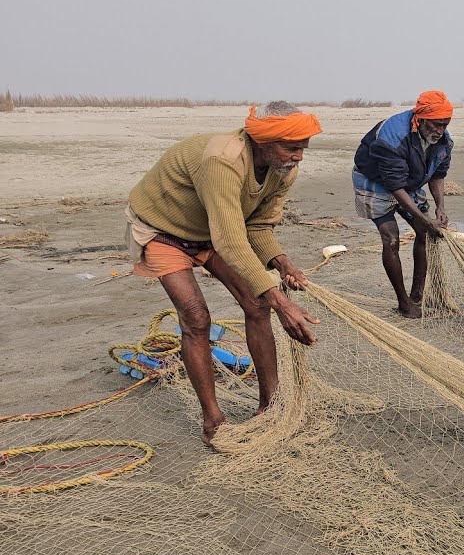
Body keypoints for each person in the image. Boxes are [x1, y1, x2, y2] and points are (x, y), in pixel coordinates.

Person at [125, 102, 323, 444]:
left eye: (303, 148)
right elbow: (230, 240)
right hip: (161, 232)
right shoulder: (223, 159)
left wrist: (283, 264)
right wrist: (282, 303)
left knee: (257, 304)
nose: (298, 157)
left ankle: (270, 407)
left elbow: (257, 227)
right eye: (291, 148)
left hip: (210, 232)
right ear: (262, 140)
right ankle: (212, 420)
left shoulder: (283, 169)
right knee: (196, 318)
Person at [352, 90, 454, 318]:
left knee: (425, 233)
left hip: (407, 181)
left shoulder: (443, 141)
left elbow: (438, 173)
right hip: (374, 181)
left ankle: (417, 296)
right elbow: (394, 185)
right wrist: (423, 218)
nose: (440, 130)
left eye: (445, 125)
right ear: (421, 118)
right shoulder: (392, 137)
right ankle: (404, 304)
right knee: (391, 239)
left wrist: (440, 207)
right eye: (436, 124)